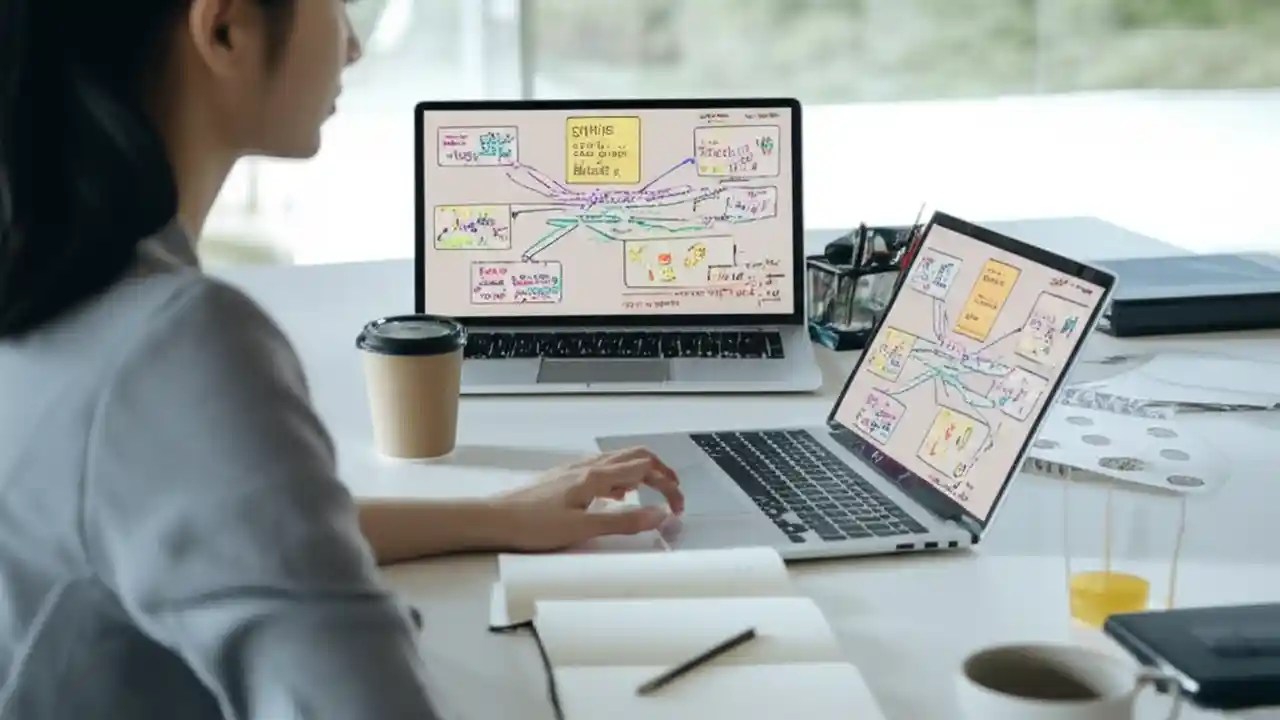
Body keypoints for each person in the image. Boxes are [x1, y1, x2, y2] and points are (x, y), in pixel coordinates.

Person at [0, 1, 683, 718]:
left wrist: (496, 516)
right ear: (226, 28)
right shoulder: (173, 346)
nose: (353, 47)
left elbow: (245, 534)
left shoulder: (54, 291)